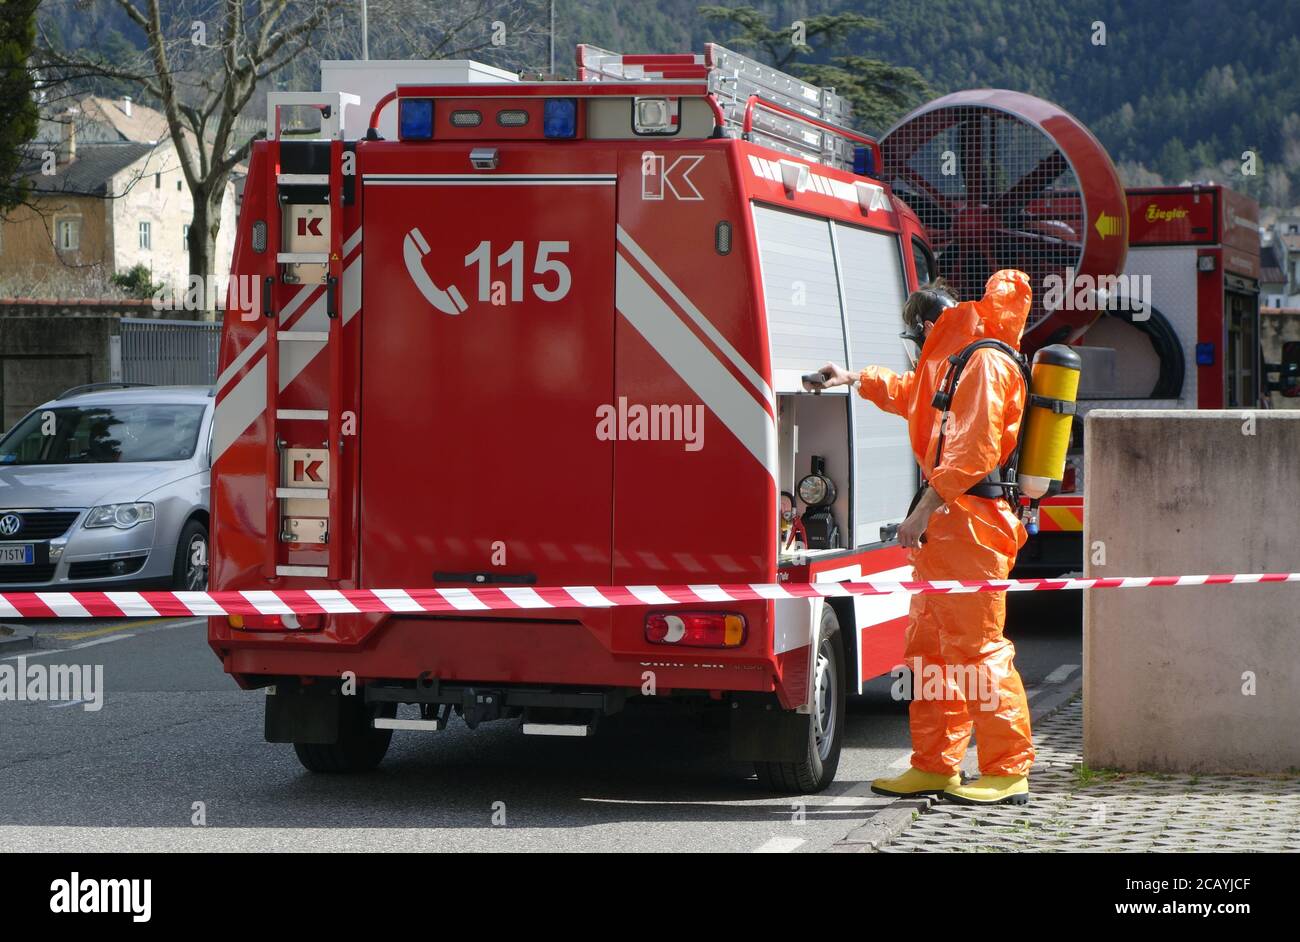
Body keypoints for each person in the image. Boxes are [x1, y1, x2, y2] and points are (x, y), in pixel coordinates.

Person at [808, 271, 1036, 805]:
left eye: (918, 338)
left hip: (971, 525)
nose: (918, 350)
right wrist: (850, 377)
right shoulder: (955, 361)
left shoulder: (984, 363)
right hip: (951, 528)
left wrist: (923, 511)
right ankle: (935, 764)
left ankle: (1008, 769)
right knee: (931, 652)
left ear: (932, 325)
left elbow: (973, 453)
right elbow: (912, 393)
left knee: (978, 651)